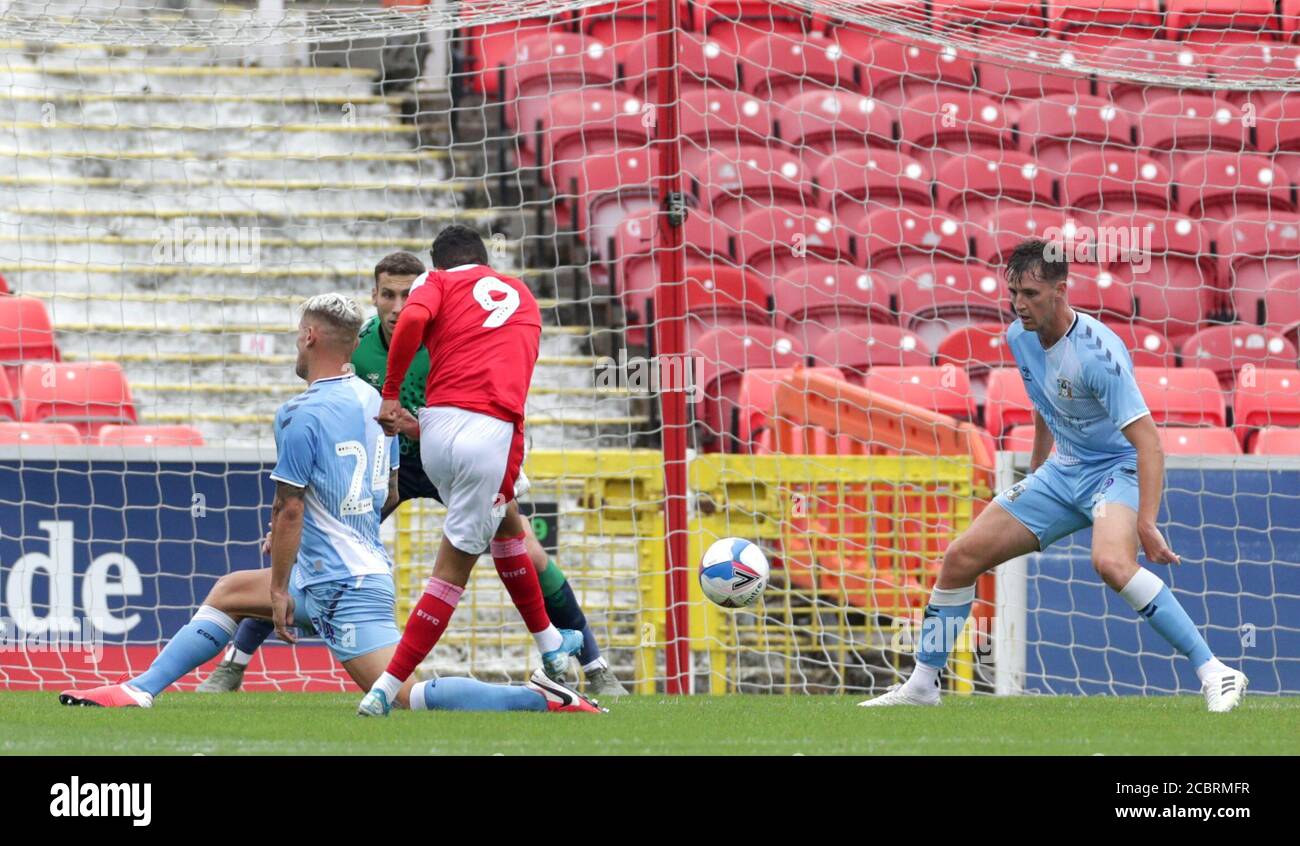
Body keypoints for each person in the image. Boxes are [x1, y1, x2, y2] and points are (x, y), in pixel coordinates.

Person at [58, 293, 600, 714]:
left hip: (338, 584)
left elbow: (289, 509)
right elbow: (386, 491)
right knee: (226, 592)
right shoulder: (374, 402)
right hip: (356, 570)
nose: (297, 345)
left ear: (312, 337)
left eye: (299, 336)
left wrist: (277, 588)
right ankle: (140, 689)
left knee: (407, 696)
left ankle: (542, 698)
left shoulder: (300, 412)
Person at [202, 251, 626, 696]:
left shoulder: (445, 335)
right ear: (374, 295)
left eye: (408, 294)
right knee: (304, 551)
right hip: (382, 473)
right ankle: (235, 663)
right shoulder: (357, 347)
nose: (398, 305)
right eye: (388, 294)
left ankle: (595, 665)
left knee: (529, 553)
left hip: (448, 460)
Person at [860, 239, 1247, 712]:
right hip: (1063, 472)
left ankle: (1215, 671)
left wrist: (1147, 520)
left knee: (1112, 563)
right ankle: (922, 685)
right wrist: (1038, 469)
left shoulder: (1098, 355)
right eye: (1014, 293)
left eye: (1031, 294)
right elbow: (1044, 400)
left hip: (1114, 470)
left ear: (1061, 290)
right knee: (960, 557)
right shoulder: (1018, 335)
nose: (1020, 305)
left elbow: (1149, 443)